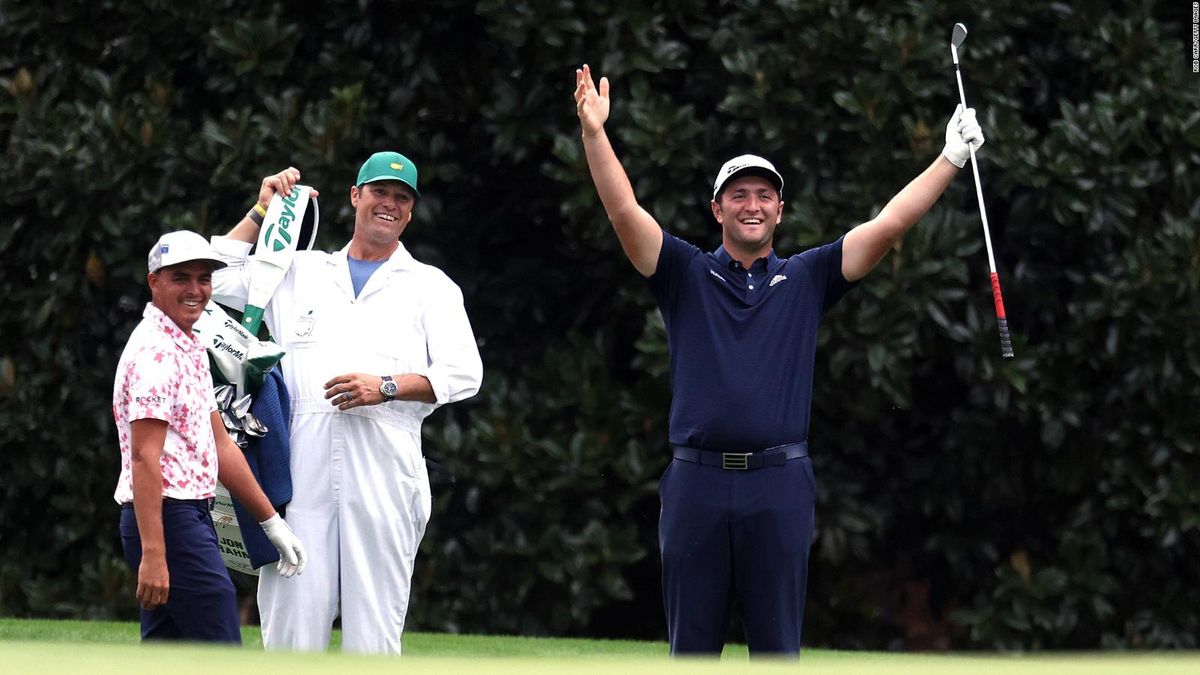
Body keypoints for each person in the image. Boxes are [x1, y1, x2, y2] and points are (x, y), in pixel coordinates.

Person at [573, 64, 985, 656]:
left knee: (777, 652)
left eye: (764, 195)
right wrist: (594, 134)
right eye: (738, 195)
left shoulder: (808, 276)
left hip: (779, 482)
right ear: (718, 209)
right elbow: (624, 212)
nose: (752, 204)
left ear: (780, 211)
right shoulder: (685, 272)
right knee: (690, 652)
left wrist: (949, 158)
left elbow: (888, 225)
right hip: (696, 482)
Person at [210, 152, 483, 654]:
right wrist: (259, 211)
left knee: (374, 637)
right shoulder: (299, 270)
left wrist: (386, 386)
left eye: (402, 198)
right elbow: (217, 279)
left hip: (384, 472)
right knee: (291, 631)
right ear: (356, 196)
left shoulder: (430, 286)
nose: (390, 204)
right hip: (298, 471)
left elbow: (464, 374)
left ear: (411, 212)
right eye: (379, 192)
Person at [113, 230, 307, 643]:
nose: (196, 290)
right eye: (181, 277)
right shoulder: (156, 354)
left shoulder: (188, 345)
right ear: (154, 282)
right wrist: (154, 552)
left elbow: (221, 445)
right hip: (168, 518)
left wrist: (271, 522)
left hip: (183, 517)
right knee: (220, 649)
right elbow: (146, 458)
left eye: (204, 278)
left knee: (169, 655)